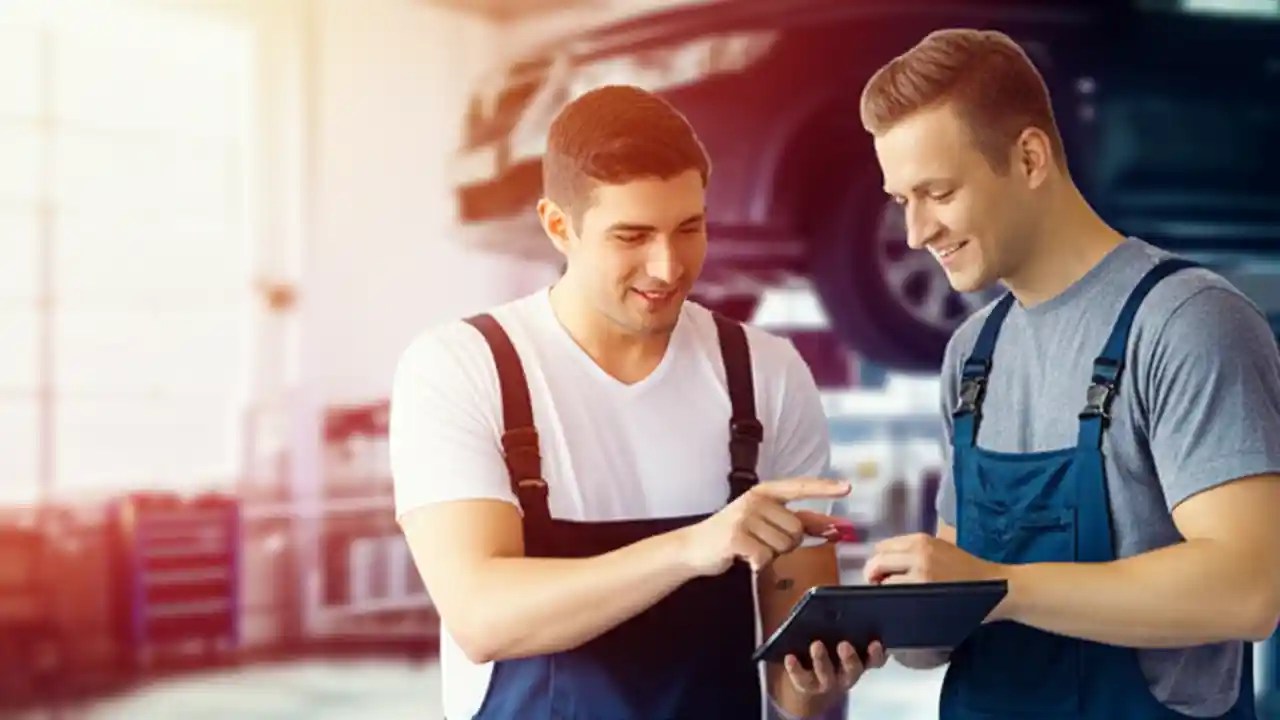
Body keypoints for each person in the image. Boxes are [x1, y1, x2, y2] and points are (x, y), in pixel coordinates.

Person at [391, 85, 884, 720]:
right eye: (632, 235)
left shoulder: (766, 376)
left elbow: (797, 692)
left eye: (690, 228)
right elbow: (483, 618)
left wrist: (820, 679)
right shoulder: (463, 368)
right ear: (558, 226)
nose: (668, 265)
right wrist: (691, 548)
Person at [856, 27, 1280, 719]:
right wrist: (891, 625)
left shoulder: (1186, 322)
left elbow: (1248, 589)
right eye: (902, 199)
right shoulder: (973, 355)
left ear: (1029, 157)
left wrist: (1002, 585)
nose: (915, 233)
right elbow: (961, 590)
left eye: (938, 192)